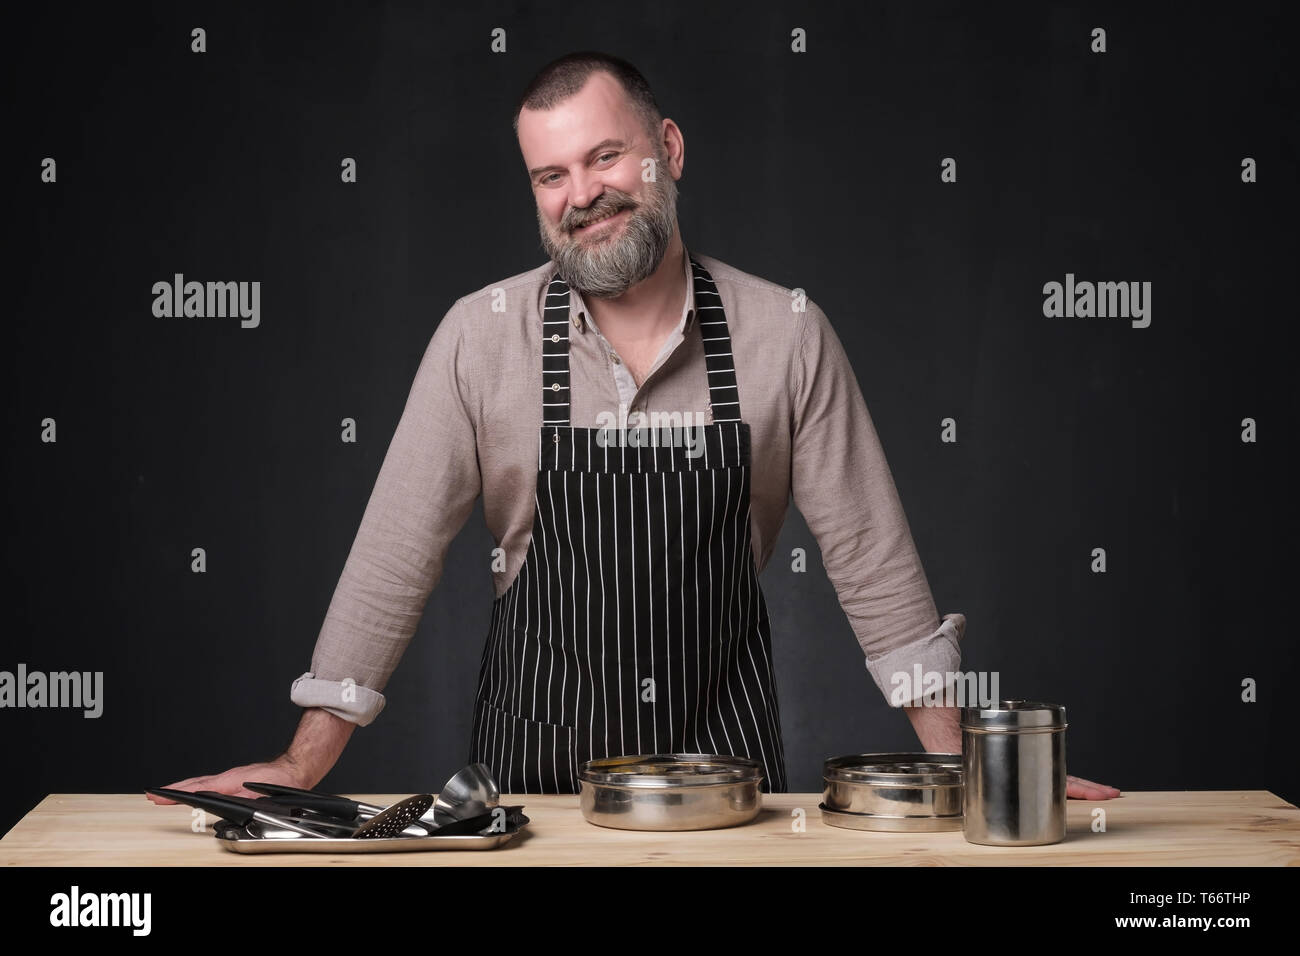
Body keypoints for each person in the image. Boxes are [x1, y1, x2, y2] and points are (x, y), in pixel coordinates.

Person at [150, 51, 1119, 802]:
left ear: (669, 149)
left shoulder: (783, 333)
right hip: (526, 797)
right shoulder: (480, 338)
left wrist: (972, 767)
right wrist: (301, 762)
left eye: (605, 155)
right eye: (549, 174)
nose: (581, 194)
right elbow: (393, 554)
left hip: (719, 796)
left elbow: (875, 568)